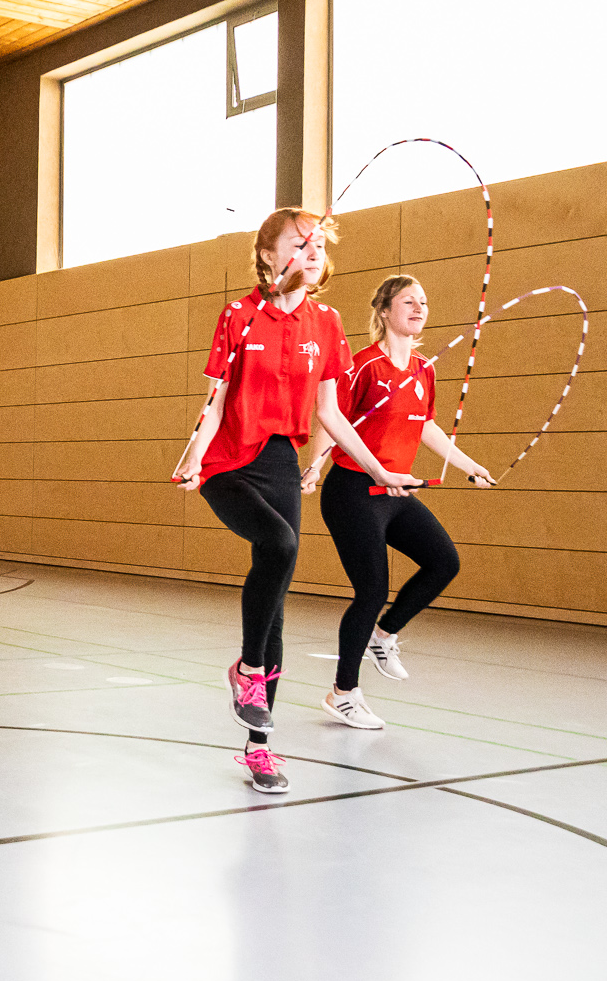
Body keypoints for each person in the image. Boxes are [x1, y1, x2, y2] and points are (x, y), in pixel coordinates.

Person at [172, 208, 419, 793]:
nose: (311, 250)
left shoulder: (326, 323)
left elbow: (332, 413)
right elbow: (216, 400)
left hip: (281, 462)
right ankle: (247, 670)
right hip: (229, 463)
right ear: (266, 255)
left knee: (277, 600)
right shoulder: (237, 315)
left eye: (317, 244)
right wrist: (191, 453)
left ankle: (260, 749)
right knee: (278, 543)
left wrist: (380, 467)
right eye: (297, 242)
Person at [301, 274, 492, 729]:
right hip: (353, 491)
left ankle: (384, 636)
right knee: (371, 590)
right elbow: (332, 419)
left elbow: (426, 428)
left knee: (443, 561)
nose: (419, 307)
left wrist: (468, 464)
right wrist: (315, 467)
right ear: (384, 311)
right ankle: (342, 693)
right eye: (409, 301)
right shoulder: (363, 365)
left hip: (398, 491)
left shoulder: (425, 369)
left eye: (423, 301)